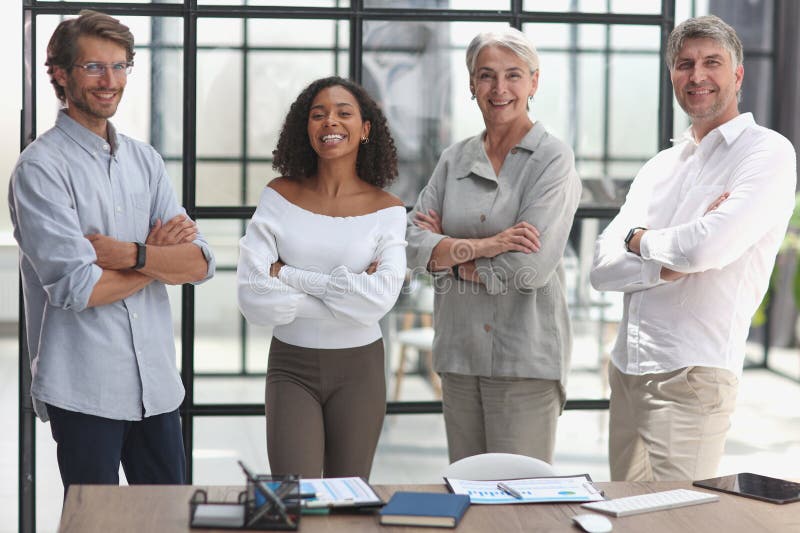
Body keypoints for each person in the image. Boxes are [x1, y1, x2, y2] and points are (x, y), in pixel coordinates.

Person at [9, 10, 215, 494]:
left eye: (121, 66)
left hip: (158, 388)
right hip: (85, 390)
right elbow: (79, 288)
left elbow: (201, 263)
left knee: (169, 522)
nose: (111, 80)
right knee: (93, 524)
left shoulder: (145, 160)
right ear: (59, 74)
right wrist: (158, 261)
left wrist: (126, 254)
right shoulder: (40, 170)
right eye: (94, 67)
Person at [590, 15, 796, 481]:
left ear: (738, 74)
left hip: (693, 376)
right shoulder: (661, 166)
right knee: (624, 514)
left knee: (681, 521)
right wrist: (665, 264)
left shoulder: (766, 153)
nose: (697, 75)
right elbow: (600, 269)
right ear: (673, 76)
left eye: (711, 63)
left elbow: (706, 251)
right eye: (685, 64)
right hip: (626, 371)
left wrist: (640, 240)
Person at [405, 28, 581, 464]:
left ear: (534, 82)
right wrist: (488, 246)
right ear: (471, 85)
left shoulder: (553, 159)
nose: (499, 89)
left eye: (513, 75)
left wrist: (451, 257)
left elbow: (531, 265)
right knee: (467, 493)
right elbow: (412, 243)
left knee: (519, 505)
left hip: (526, 359)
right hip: (459, 355)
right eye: (486, 76)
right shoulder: (454, 159)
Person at [237, 76, 406, 479]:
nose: (330, 121)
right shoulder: (277, 196)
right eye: (319, 114)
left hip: (360, 370)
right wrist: (345, 294)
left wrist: (289, 275)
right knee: (295, 497)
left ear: (365, 129)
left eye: (344, 113)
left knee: (347, 501)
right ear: (306, 128)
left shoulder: (389, 209)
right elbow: (252, 297)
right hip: (290, 367)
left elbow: (379, 302)